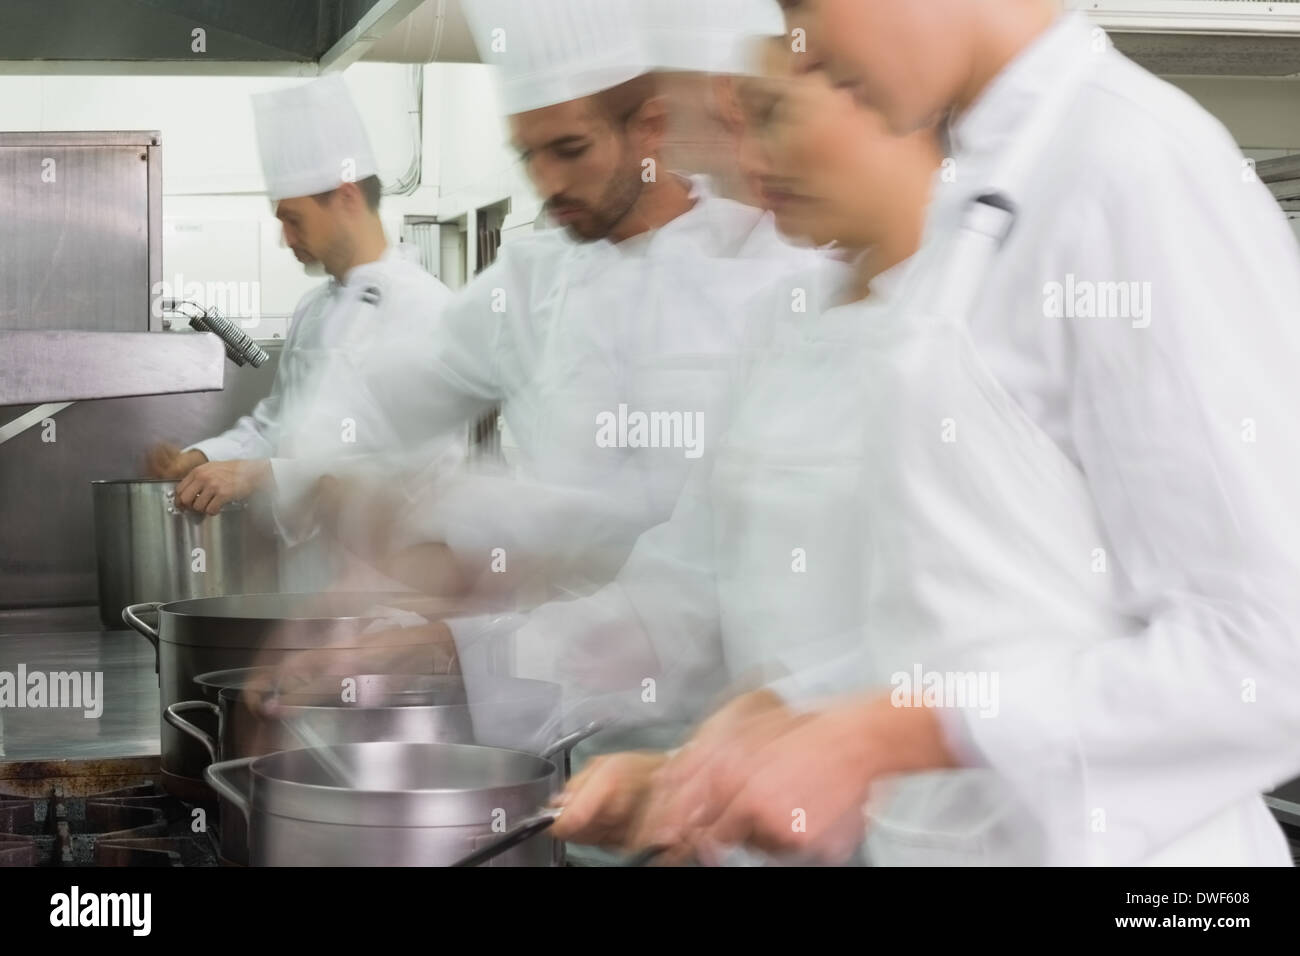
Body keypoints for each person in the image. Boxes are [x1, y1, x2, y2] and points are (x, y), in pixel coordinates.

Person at [576, 0, 1300, 866]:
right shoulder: (977, 201)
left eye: (802, 5)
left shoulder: (1132, 166)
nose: (805, 41)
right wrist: (785, 732)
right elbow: (1004, 602)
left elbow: (1267, 655)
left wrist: (888, 736)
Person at [146, 73, 462, 592]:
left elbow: (408, 466)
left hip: (394, 594)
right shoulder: (313, 309)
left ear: (345, 199)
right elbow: (275, 425)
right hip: (308, 589)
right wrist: (202, 458)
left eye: (293, 220)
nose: (284, 238)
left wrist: (263, 474)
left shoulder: (427, 309)